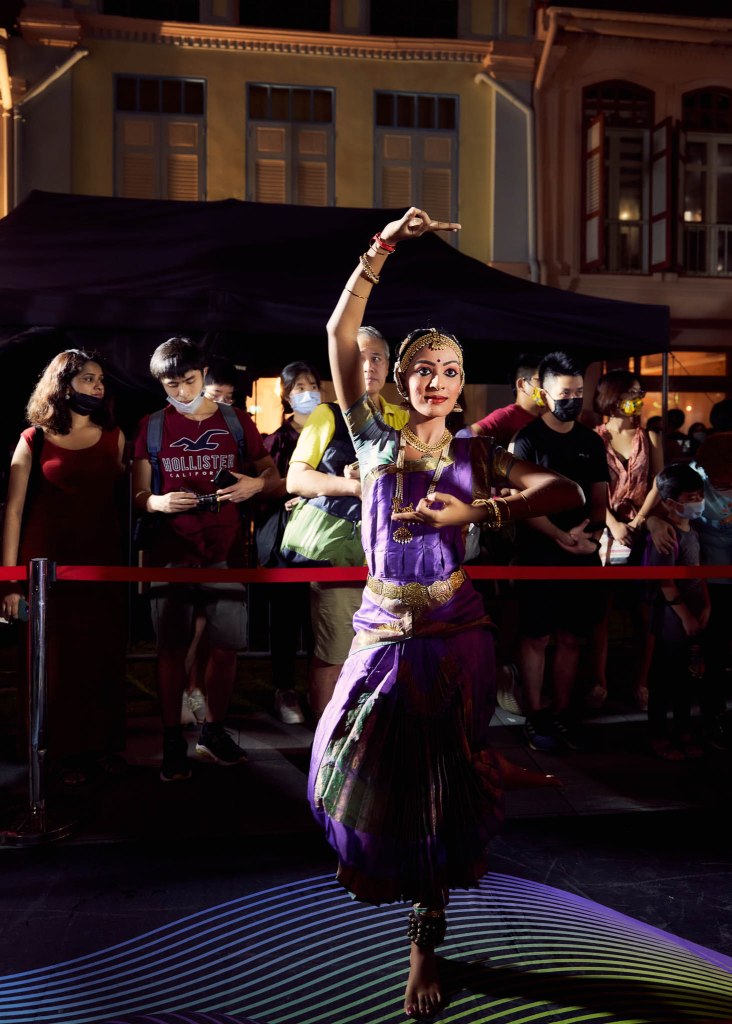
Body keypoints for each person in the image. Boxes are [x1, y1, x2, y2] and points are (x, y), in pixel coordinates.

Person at [307, 207, 583, 1020]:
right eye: (424, 366)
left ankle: (427, 941)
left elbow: (565, 493)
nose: (436, 380)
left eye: (451, 371)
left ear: (465, 385)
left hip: (452, 632)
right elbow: (337, 328)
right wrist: (385, 243)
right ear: (400, 375)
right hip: (380, 630)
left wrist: (472, 517)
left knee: (438, 788)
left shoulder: (475, 455)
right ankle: (384, 859)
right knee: (340, 760)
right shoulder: (369, 438)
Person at [132, 337, 279, 782]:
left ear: (204, 375)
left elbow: (269, 473)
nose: (180, 392)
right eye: (171, 384)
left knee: (228, 643)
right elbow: (138, 494)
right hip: (171, 553)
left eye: (189, 381)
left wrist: (256, 485)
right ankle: (172, 737)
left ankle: (213, 730)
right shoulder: (152, 426)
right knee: (171, 648)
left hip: (226, 550)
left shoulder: (235, 421)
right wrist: (157, 503)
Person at [1, 349, 127, 785]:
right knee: (51, 663)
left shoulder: (115, 435)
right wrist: (11, 582)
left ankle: (102, 747)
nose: (98, 387)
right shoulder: (33, 438)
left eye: (101, 380)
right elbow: (14, 511)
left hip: (102, 564)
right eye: (88, 379)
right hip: (44, 568)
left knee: (101, 656)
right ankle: (53, 754)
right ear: (63, 384)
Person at [286, 327, 408, 721]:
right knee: (335, 654)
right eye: (358, 357)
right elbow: (296, 479)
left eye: (376, 358)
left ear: (389, 367)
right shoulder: (328, 414)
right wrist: (353, 485)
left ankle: (369, 743)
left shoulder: (403, 418)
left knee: (388, 656)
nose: (367, 366)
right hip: (341, 559)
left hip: (393, 563)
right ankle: (326, 751)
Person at [511, 351, 609, 754]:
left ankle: (564, 712)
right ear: (544, 393)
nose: (573, 399)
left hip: (583, 550)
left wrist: (592, 534)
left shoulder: (590, 441)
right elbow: (519, 500)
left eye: (579, 392)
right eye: (565, 392)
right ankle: (536, 715)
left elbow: (601, 495)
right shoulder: (528, 440)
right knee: (537, 636)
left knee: (572, 637)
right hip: (539, 551)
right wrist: (557, 536)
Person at [587, 369, 665, 711]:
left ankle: (642, 683)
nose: (637, 398)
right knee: (600, 610)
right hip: (605, 530)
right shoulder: (594, 437)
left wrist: (641, 520)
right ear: (611, 397)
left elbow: (659, 482)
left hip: (642, 527)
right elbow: (590, 486)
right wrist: (612, 524)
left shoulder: (650, 436)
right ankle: (599, 682)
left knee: (645, 611)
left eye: (639, 392)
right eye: (630, 392)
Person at [257, 360, 322, 724]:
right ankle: (284, 689)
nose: (308, 392)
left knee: (321, 623)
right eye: (299, 387)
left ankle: (320, 691)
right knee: (284, 621)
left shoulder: (333, 436)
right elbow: (262, 491)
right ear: (285, 395)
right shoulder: (275, 442)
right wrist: (286, 493)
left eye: (313, 384)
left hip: (324, 544)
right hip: (284, 542)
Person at [644, 462, 711, 760]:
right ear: (670, 503)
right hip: (672, 620)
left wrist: (706, 604)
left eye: (699, 495)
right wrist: (685, 615)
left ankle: (683, 729)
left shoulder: (694, 530)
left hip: (693, 617)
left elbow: (700, 573)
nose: (698, 501)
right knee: (663, 679)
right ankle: (658, 735)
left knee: (687, 678)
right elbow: (665, 582)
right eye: (690, 497)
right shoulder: (666, 535)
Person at [692, 432, 732, 748]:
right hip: (711, 585)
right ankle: (711, 717)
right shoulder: (698, 486)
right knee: (714, 655)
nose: (719, 481)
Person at [457, 352, 543, 447]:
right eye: (541, 381)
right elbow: (464, 437)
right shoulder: (507, 416)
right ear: (521, 384)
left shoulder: (547, 418)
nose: (547, 386)